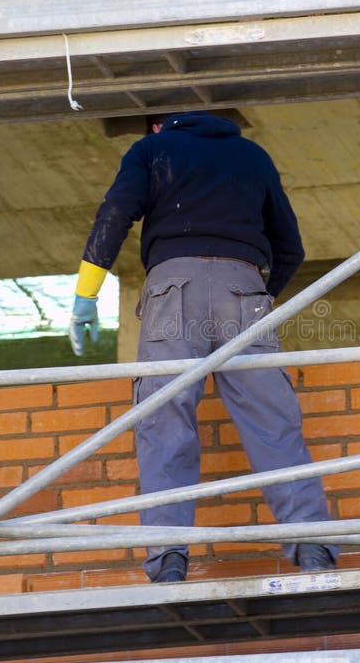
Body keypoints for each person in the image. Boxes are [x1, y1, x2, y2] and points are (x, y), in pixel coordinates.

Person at [69, 110, 338, 583]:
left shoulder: (152, 150)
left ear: (158, 126)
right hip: (244, 291)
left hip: (173, 291)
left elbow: (115, 212)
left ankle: (169, 559)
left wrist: (86, 295)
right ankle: (313, 546)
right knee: (273, 424)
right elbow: (290, 247)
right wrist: (259, 296)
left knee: (165, 424)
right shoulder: (252, 156)